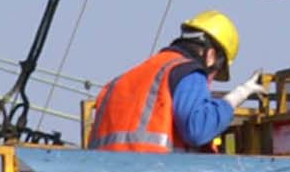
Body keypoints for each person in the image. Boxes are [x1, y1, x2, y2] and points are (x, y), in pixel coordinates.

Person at [86, 10, 242, 153]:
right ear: (211, 56)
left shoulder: (117, 84)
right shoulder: (188, 73)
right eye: (216, 72)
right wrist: (234, 99)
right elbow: (197, 130)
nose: (211, 79)